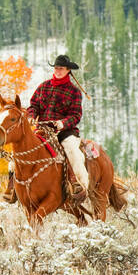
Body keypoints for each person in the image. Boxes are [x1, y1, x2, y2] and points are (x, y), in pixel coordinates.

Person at [25, 54, 89, 208]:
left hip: (65, 132)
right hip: (42, 130)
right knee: (24, 148)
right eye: (56, 68)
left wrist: (62, 123)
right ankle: (14, 185)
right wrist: (32, 116)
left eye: (61, 68)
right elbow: (33, 105)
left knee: (72, 151)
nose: (58, 71)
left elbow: (76, 115)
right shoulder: (43, 87)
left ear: (68, 71)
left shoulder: (74, 92)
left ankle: (77, 184)